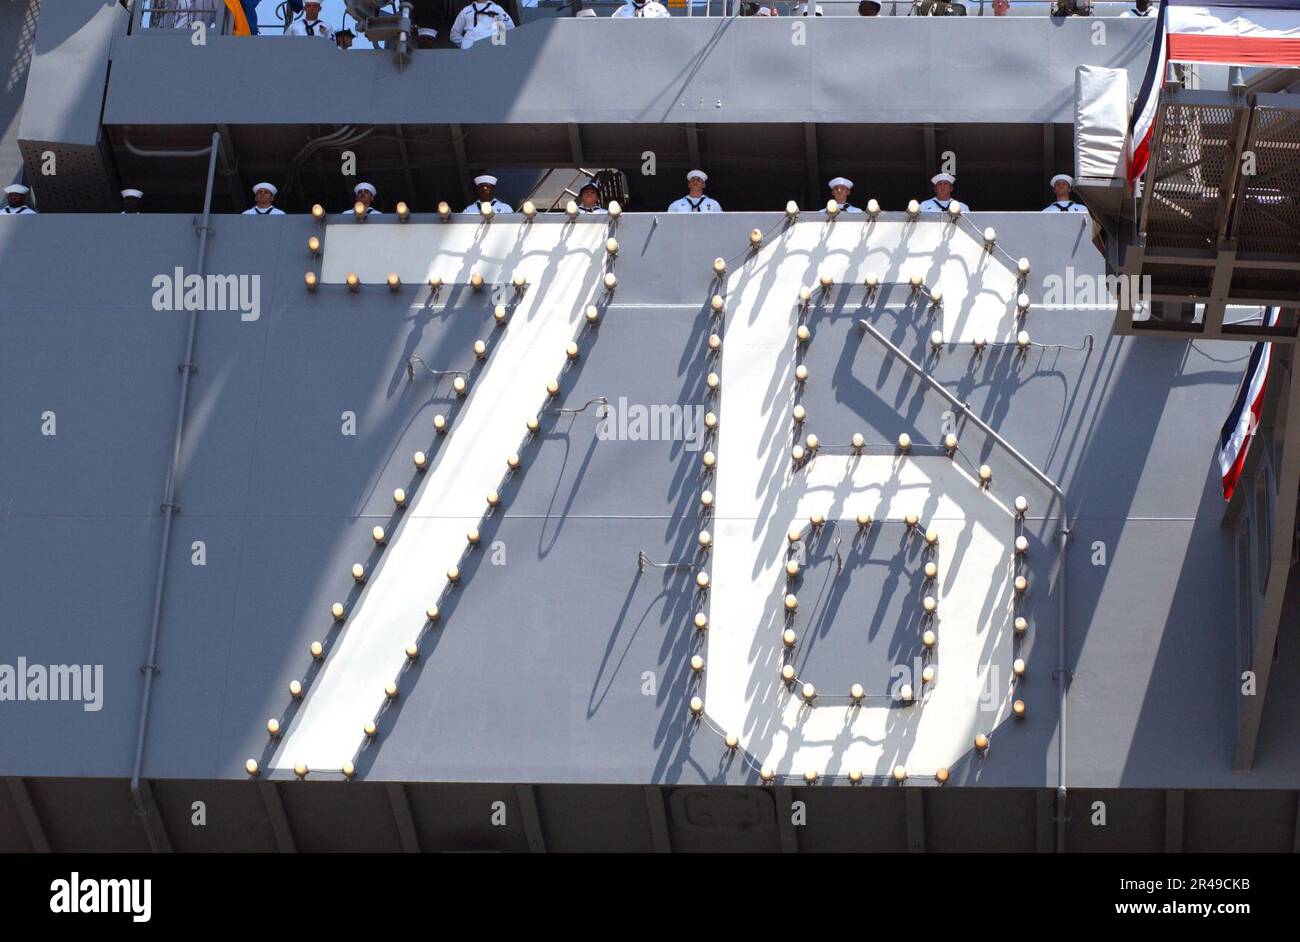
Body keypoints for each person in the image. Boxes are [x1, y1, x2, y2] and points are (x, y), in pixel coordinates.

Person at [449, 2, 515, 49]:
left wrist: (499, 45)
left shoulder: (497, 9)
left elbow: (510, 27)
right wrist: (465, 44)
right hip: (470, 54)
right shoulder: (466, 11)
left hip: (491, 50)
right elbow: (454, 34)